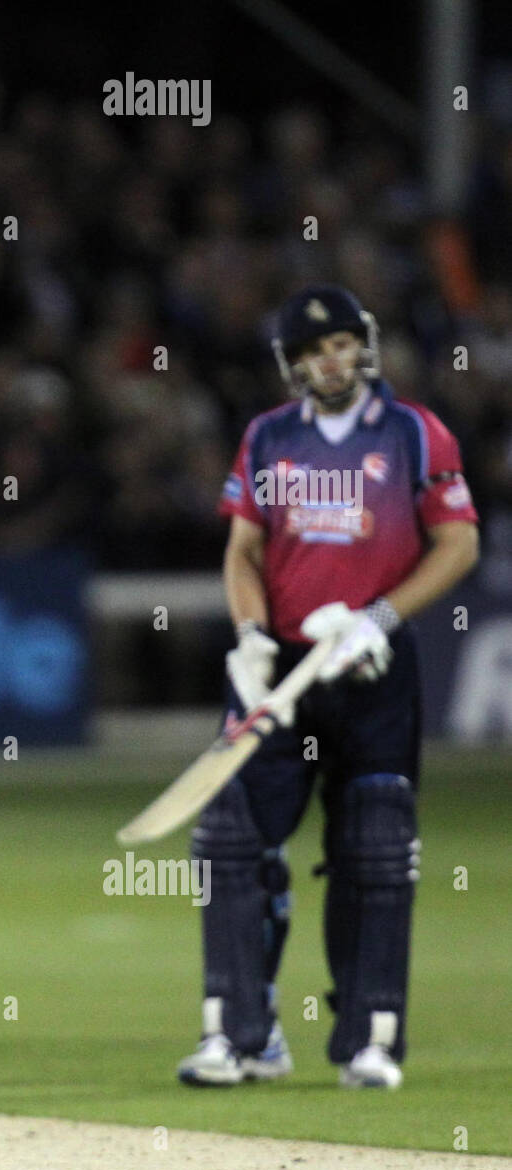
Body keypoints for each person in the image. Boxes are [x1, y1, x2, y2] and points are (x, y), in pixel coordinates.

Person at [178, 284, 480, 1090]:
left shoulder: (415, 433)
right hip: (282, 666)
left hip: (374, 670)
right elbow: (245, 551)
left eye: (342, 343)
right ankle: (243, 1037)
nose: (330, 360)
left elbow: (457, 545)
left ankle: (369, 1039)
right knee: (231, 839)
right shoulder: (270, 438)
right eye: (314, 350)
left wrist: (379, 618)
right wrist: (248, 637)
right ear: (294, 363)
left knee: (376, 847)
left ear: (365, 345)